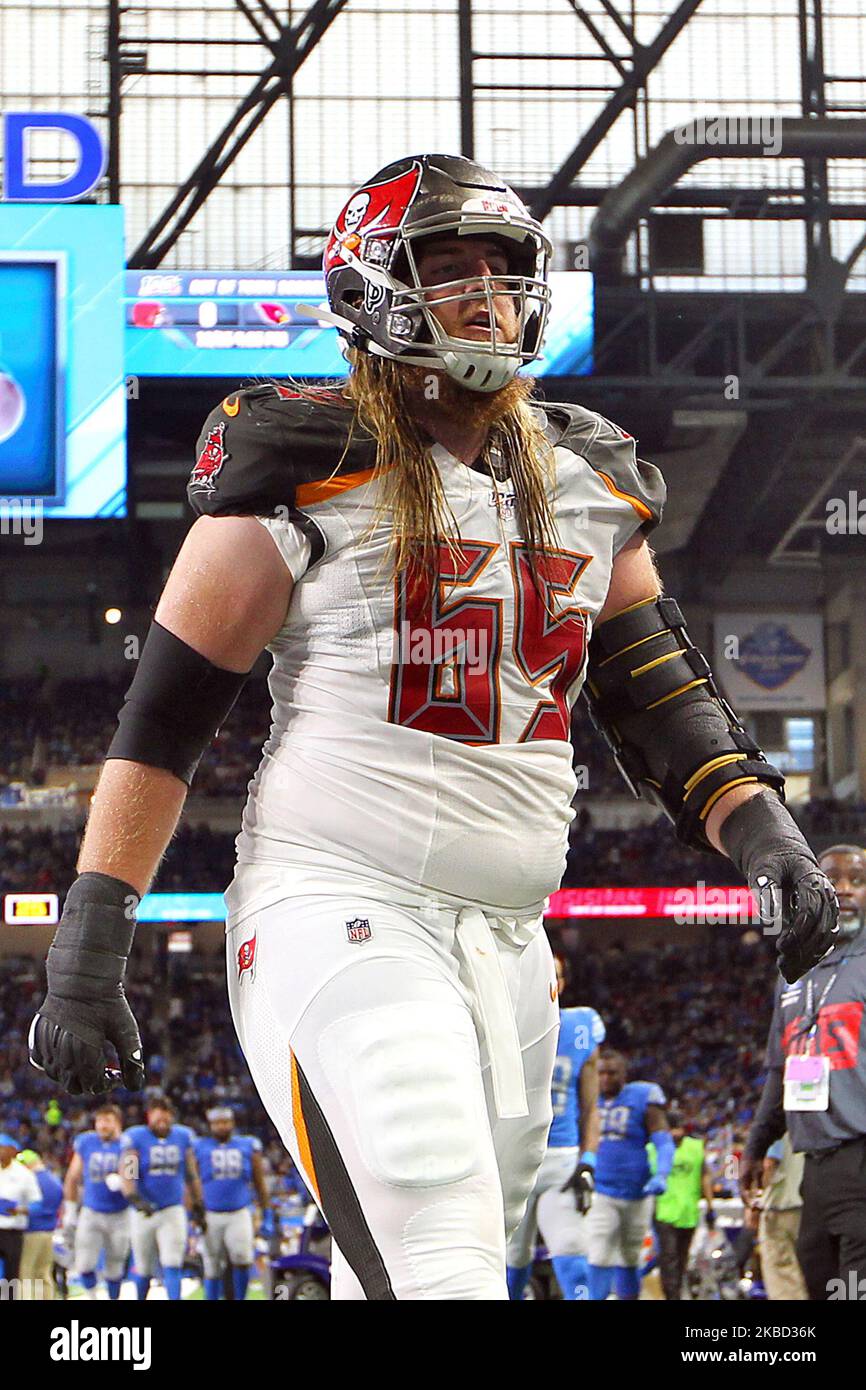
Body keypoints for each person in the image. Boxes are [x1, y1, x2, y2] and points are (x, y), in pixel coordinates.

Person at [29, 153, 838, 1301]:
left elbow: (657, 692)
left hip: (508, 939)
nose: (484, 298)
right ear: (369, 290)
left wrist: (762, 830)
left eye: (503, 274)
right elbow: (165, 718)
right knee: (440, 1253)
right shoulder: (299, 455)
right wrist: (93, 924)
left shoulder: (585, 472)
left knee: (435, 1266)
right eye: (448, 269)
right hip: (339, 899)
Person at [742, 844, 866, 1300]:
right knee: (818, 1280)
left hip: (862, 1152)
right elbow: (781, 1069)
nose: (846, 890)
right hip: (814, 1161)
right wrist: (756, 1145)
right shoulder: (793, 971)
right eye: (833, 879)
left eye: (858, 880)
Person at [506, 954, 603, 1299]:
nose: (550, 980)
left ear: (563, 983)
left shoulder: (580, 1026)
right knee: (511, 1261)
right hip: (514, 1157)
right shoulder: (505, 1024)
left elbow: (592, 1106)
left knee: (571, 1251)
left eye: (557, 975)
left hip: (562, 1158)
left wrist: (589, 1159)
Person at [586, 1050, 673, 1300]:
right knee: (599, 1252)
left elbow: (663, 1141)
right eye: (600, 1073)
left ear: (624, 1074)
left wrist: (662, 1174)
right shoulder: (589, 1100)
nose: (604, 1078)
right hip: (601, 1190)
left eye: (611, 1073)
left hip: (638, 1190)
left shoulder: (642, 1096)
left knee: (630, 1256)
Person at [119, 1097, 202, 1301]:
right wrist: (133, 1196)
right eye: (157, 1112)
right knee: (144, 1267)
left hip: (172, 1209)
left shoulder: (182, 1136)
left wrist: (198, 1202)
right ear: (149, 1115)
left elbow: (191, 1172)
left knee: (172, 1262)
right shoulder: (135, 1137)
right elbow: (128, 1168)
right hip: (143, 1210)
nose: (162, 1117)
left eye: (166, 1112)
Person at [194, 1105, 269, 1301]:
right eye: (217, 1123)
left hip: (239, 1211)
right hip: (210, 1213)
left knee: (243, 1259)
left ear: (232, 1123)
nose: (221, 1126)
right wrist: (194, 1210)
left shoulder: (246, 1145)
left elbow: (259, 1182)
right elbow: (192, 1181)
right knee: (212, 1265)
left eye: (225, 1122)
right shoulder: (200, 1147)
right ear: (210, 1125)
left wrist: (266, 1210)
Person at [63, 1102, 130, 1301]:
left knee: (115, 1265)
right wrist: (70, 1210)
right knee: (83, 1264)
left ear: (118, 1123)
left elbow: (133, 1177)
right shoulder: (86, 1142)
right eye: (99, 1121)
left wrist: (123, 1180)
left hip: (121, 1213)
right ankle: (91, 1296)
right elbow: (72, 1177)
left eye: (107, 1121)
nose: (102, 1125)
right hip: (92, 1211)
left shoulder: (128, 1143)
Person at [653, 1112, 715, 1300]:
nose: (675, 1133)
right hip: (665, 1212)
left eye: (678, 1128)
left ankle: (677, 1293)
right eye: (671, 1129)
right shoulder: (654, 1149)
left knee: (682, 1259)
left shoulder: (695, 1147)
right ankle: (672, 1296)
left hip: (689, 1212)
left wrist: (711, 1205)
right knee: (669, 1259)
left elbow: (705, 1175)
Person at [757, 1134, 807, 1300]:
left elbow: (770, 1163)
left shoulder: (776, 1122)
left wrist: (759, 1195)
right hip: (808, 1206)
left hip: (780, 1207)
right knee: (805, 1276)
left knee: (782, 1277)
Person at [18, 1148, 63, 1300]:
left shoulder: (30, 1180)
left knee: (25, 1273)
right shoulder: (54, 1179)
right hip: (49, 1231)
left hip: (31, 1231)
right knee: (44, 1273)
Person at [0, 1132, 40, 1298]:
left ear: (12, 1150)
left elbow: (37, 1204)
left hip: (13, 1231)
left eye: (2, 1148)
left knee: (12, 1272)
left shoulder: (25, 1175)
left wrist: (20, 1210)